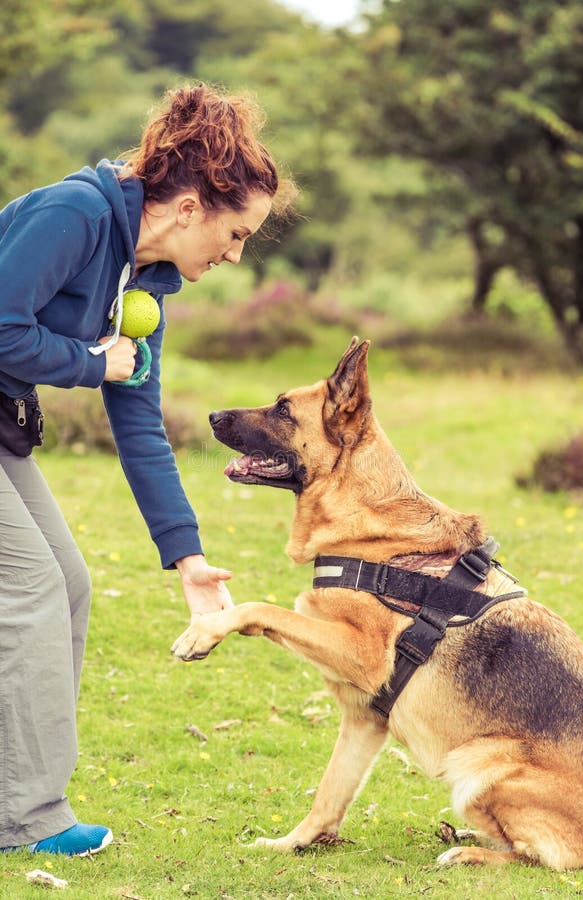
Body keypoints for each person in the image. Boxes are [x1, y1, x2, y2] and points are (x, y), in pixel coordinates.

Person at [0, 83, 295, 856]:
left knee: (67, 580)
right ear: (192, 205)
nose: (233, 256)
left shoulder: (146, 283)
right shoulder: (73, 216)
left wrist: (187, 555)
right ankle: (28, 819)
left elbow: (138, 415)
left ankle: (19, 800)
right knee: (28, 586)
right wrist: (87, 363)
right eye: (235, 235)